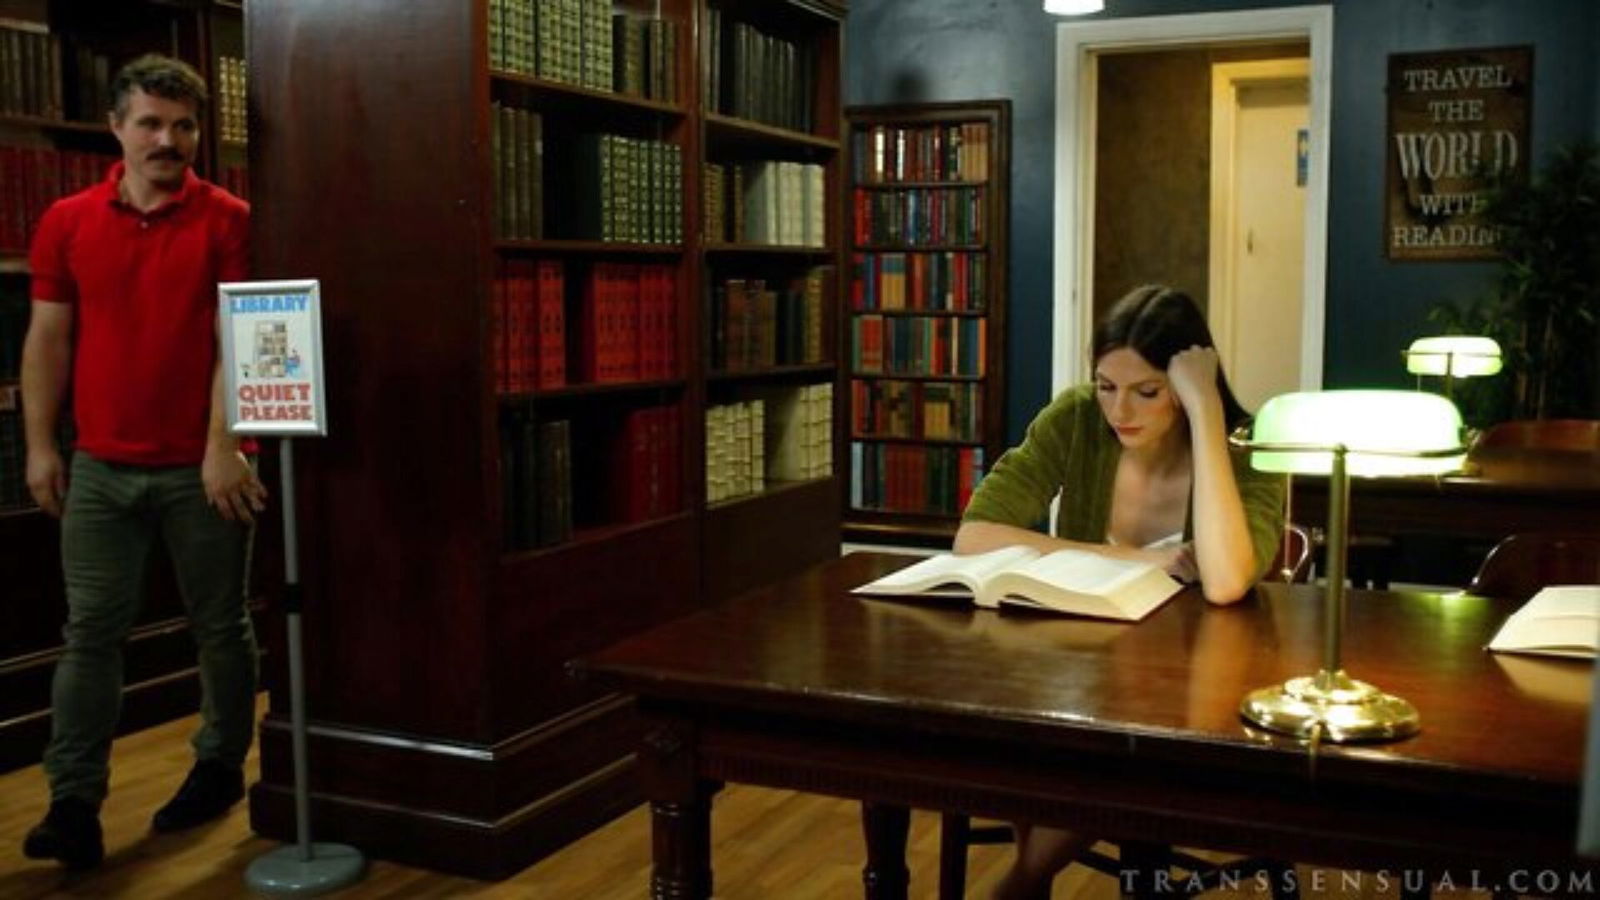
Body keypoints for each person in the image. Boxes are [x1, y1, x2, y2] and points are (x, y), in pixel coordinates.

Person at [953, 284, 1284, 900]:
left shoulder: (1247, 442)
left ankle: (1020, 884)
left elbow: (1227, 580)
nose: (1120, 410)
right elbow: (974, 534)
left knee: (1113, 752)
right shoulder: (1077, 417)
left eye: (1148, 391)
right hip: (1078, 662)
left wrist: (1207, 414)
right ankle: (1028, 880)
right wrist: (1132, 557)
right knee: (1026, 728)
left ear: (1184, 389)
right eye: (1107, 386)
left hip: (1193, 683)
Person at [20, 53, 266, 871]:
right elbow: (49, 337)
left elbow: (243, 339)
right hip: (100, 465)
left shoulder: (230, 217)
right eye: (152, 123)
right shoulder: (67, 220)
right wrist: (41, 444)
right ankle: (73, 803)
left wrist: (223, 444)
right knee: (89, 632)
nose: (170, 139)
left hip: (205, 468)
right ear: (117, 128)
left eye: (185, 124)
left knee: (220, 626)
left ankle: (219, 766)